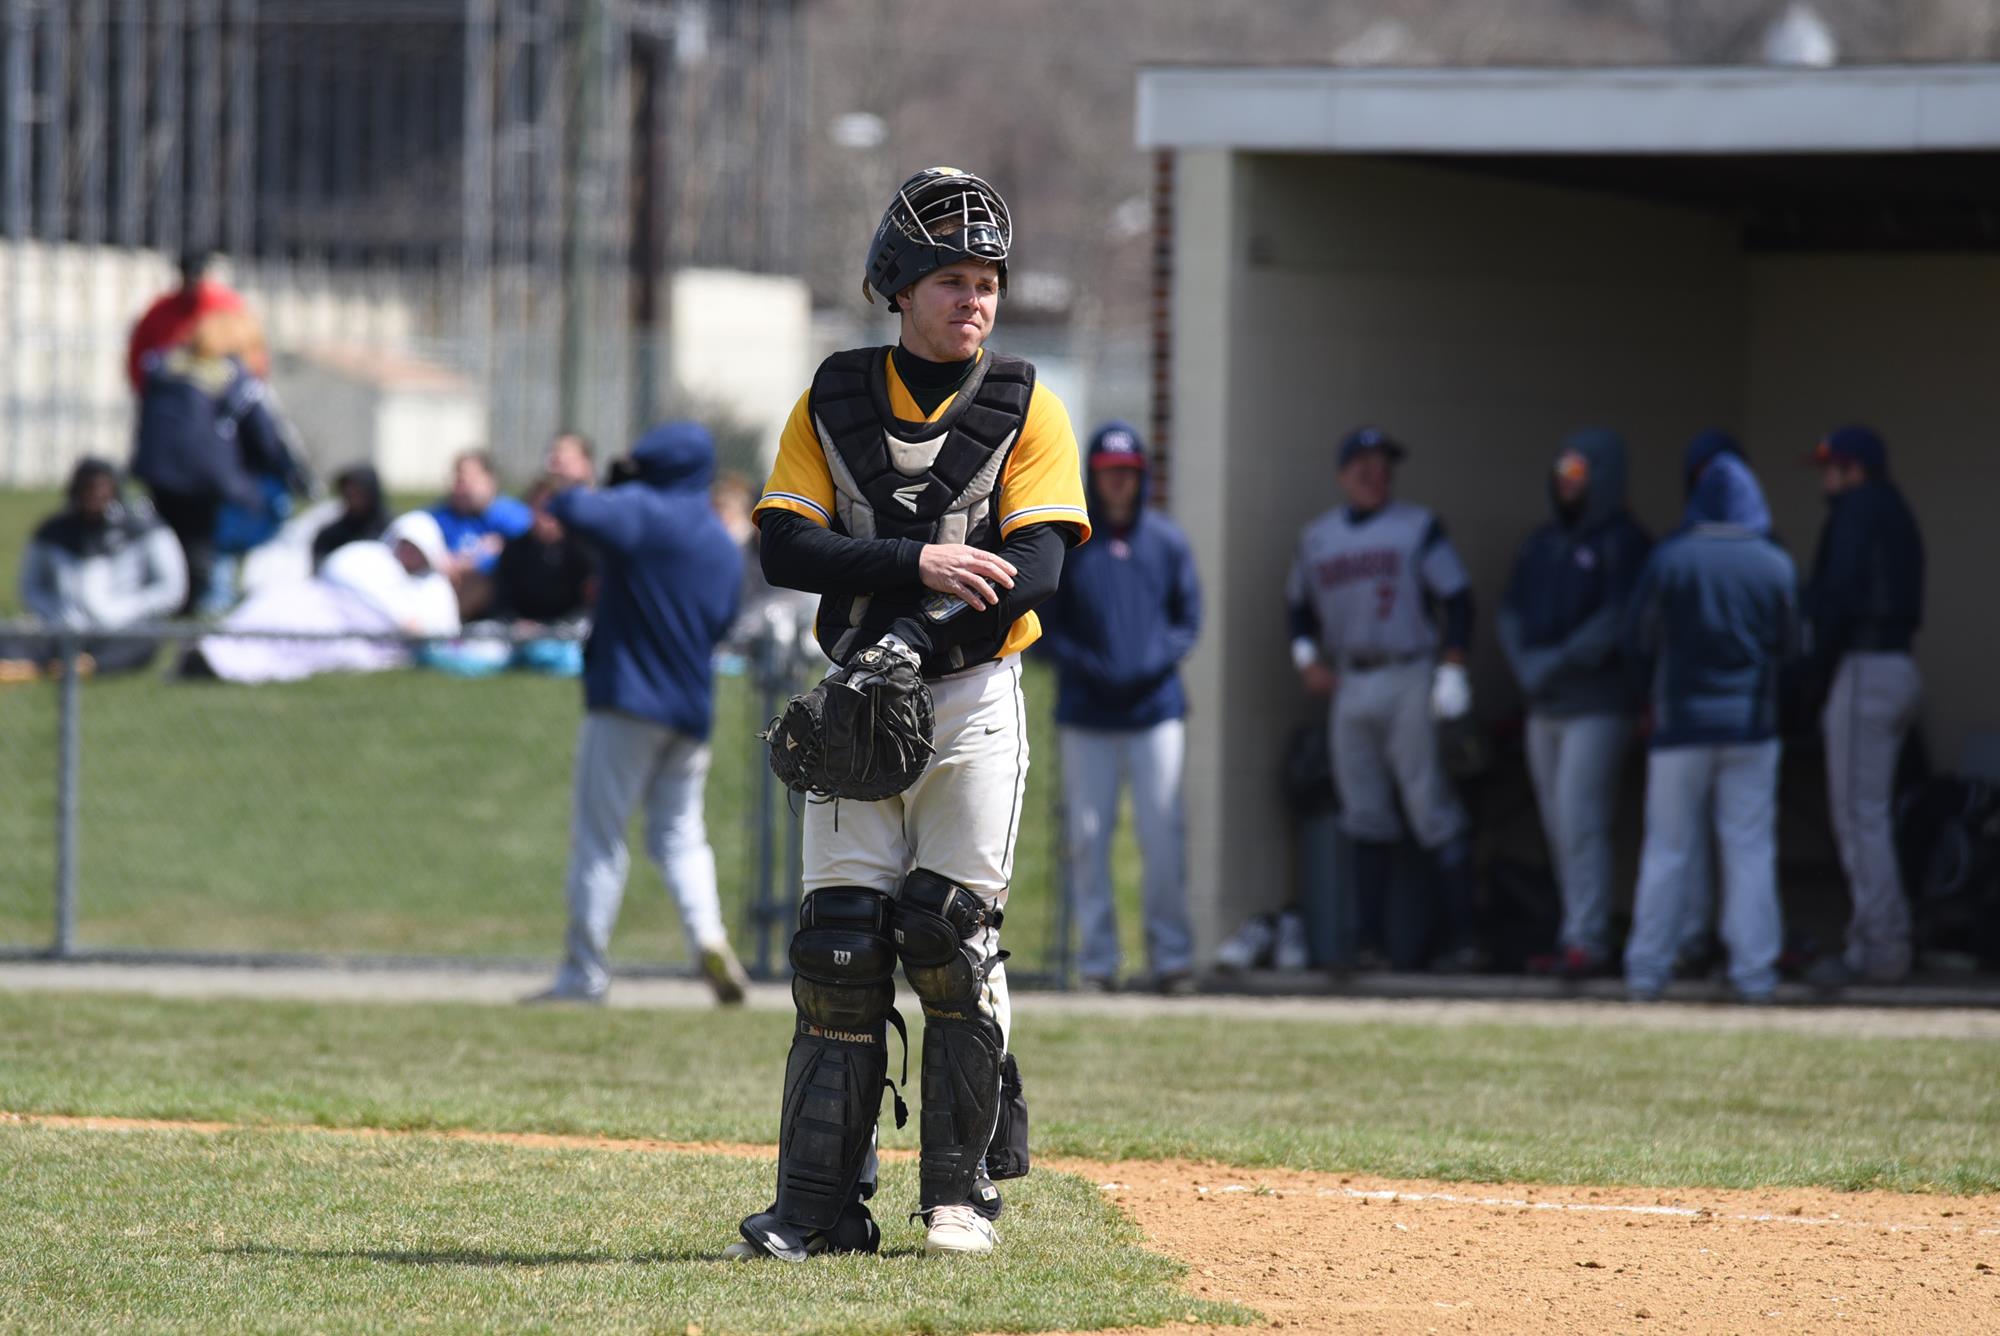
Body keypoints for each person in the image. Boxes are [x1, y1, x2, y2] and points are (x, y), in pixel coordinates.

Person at [729, 166, 1089, 1262]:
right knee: (838, 947)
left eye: (985, 280)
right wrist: (913, 560)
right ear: (897, 285)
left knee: (948, 935)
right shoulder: (833, 396)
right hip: (856, 706)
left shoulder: (1028, 401)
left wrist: (919, 628)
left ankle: (960, 1193)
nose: (972, 299)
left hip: (970, 698)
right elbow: (784, 541)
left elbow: (1036, 564)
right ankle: (816, 1209)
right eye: (949, 279)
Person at [525, 421, 751, 1009]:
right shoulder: (719, 540)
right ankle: (708, 936)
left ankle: (584, 974)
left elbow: (572, 509)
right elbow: (724, 623)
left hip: (627, 700)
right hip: (691, 707)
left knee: (601, 840)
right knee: (681, 837)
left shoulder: (644, 509)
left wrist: (585, 480)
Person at [1286, 427, 1482, 973]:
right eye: (1365, 465)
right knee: (1364, 811)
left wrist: (1454, 665)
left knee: (1430, 806)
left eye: (1383, 465)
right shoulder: (1318, 537)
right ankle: (1368, 942)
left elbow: (1459, 598)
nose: (1376, 475)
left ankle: (1465, 936)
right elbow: (1297, 610)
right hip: (1351, 678)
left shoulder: (1416, 526)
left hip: (1408, 673)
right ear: (1344, 473)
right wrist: (1307, 660)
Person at [1621, 449, 1798, 1004]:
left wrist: (1642, 697)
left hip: (1678, 728)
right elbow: (1795, 650)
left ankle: (1647, 972)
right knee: (1749, 850)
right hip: (1751, 729)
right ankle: (1755, 974)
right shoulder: (1774, 563)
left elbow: (1636, 640)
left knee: (1668, 850)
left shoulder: (1671, 559)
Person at [1038, 421, 1201, 993]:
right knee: (1086, 838)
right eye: (1109, 474)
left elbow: (1188, 623)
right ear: (1093, 477)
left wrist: (1150, 662)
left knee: (1162, 835)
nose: (1118, 484)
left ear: (1142, 476)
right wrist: (1087, 665)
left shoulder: (1167, 542)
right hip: (1086, 714)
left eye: (1127, 474)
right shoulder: (1072, 544)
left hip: (1157, 712)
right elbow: (1044, 628)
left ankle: (1172, 958)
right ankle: (1098, 962)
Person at [1497, 430, 1653, 978]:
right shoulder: (1540, 543)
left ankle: (1588, 938)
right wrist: (1525, 664)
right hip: (1545, 705)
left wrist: (1555, 660)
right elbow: (1510, 610)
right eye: (1562, 475)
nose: (1568, 487)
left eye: (1579, 477)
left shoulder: (1625, 542)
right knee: (1556, 824)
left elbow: (1617, 622)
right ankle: (1575, 931)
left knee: (1580, 818)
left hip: (1597, 705)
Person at [1799, 426, 1925, 989]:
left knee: (1859, 817)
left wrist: (1810, 670)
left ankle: (1881, 947)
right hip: (1895, 668)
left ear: (1854, 469)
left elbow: (1837, 597)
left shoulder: (1859, 509)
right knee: (1868, 815)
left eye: (1832, 467)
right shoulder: (1897, 510)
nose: (1826, 478)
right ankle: (1878, 940)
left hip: (1867, 668)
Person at [130, 310, 301, 613]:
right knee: (204, 540)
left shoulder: (163, 364)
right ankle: (207, 600)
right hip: (207, 474)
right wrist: (289, 471)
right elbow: (264, 434)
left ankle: (171, 599)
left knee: (171, 537)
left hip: (157, 469)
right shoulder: (233, 374)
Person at [193, 511, 460, 683]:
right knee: (271, 604)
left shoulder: (433, 589)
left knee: (298, 629)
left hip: (348, 624)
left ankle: (222, 664)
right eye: (405, 545)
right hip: (322, 598)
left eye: (416, 550)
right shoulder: (373, 558)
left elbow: (438, 630)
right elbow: (338, 572)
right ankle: (212, 646)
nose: (408, 554)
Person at [3, 459, 187, 680]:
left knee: (144, 642)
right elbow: (31, 587)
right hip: (63, 628)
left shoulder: (144, 529)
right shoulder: (52, 532)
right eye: (86, 490)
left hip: (121, 628)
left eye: (100, 489)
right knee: (13, 636)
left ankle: (86, 666)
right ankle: (27, 665)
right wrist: (56, 613)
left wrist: (125, 610)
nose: (94, 497)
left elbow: (170, 588)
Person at [125, 250, 255, 395]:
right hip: (172, 396)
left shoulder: (227, 307)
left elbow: (253, 354)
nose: (193, 284)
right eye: (189, 277)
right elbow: (139, 357)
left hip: (221, 400)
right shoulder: (160, 311)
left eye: (197, 277)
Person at [426, 451, 532, 618]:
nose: (461, 488)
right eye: (458, 480)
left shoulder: (510, 514)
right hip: (444, 597)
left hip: (501, 609)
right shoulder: (439, 517)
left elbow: (525, 551)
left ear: (490, 481)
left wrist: (479, 561)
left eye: (468, 480)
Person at [493, 477, 595, 624]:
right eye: (541, 509)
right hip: (522, 632)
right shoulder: (515, 549)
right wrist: (517, 621)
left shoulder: (583, 550)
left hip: (569, 631)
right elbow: (503, 600)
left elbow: (588, 602)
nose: (547, 518)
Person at [311, 466, 389, 569]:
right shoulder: (330, 535)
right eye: (348, 494)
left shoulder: (391, 530)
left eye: (358, 494)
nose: (353, 499)